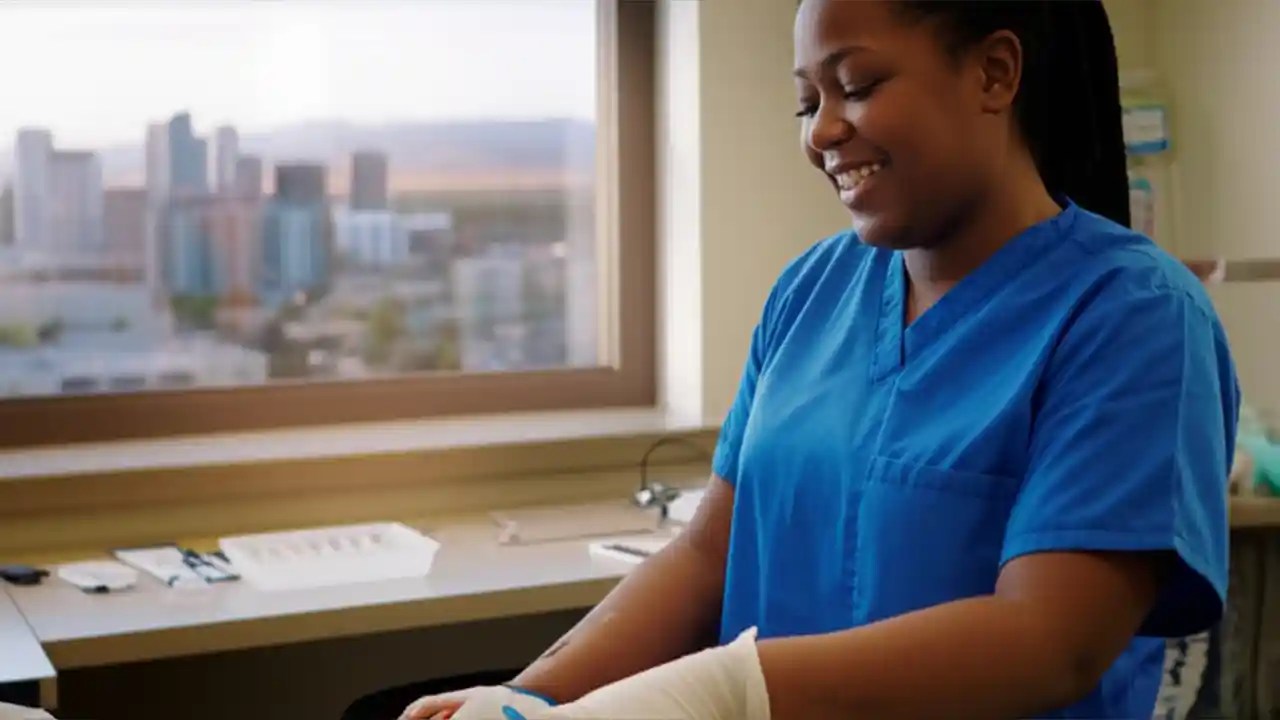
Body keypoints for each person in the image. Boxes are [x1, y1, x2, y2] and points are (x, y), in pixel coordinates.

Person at [388, 1, 1239, 718]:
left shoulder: (1132, 316)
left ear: (994, 74)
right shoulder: (812, 291)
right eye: (807, 102)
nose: (824, 131)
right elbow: (706, 558)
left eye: (858, 86)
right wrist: (527, 700)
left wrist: (720, 693)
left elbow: (1048, 642)